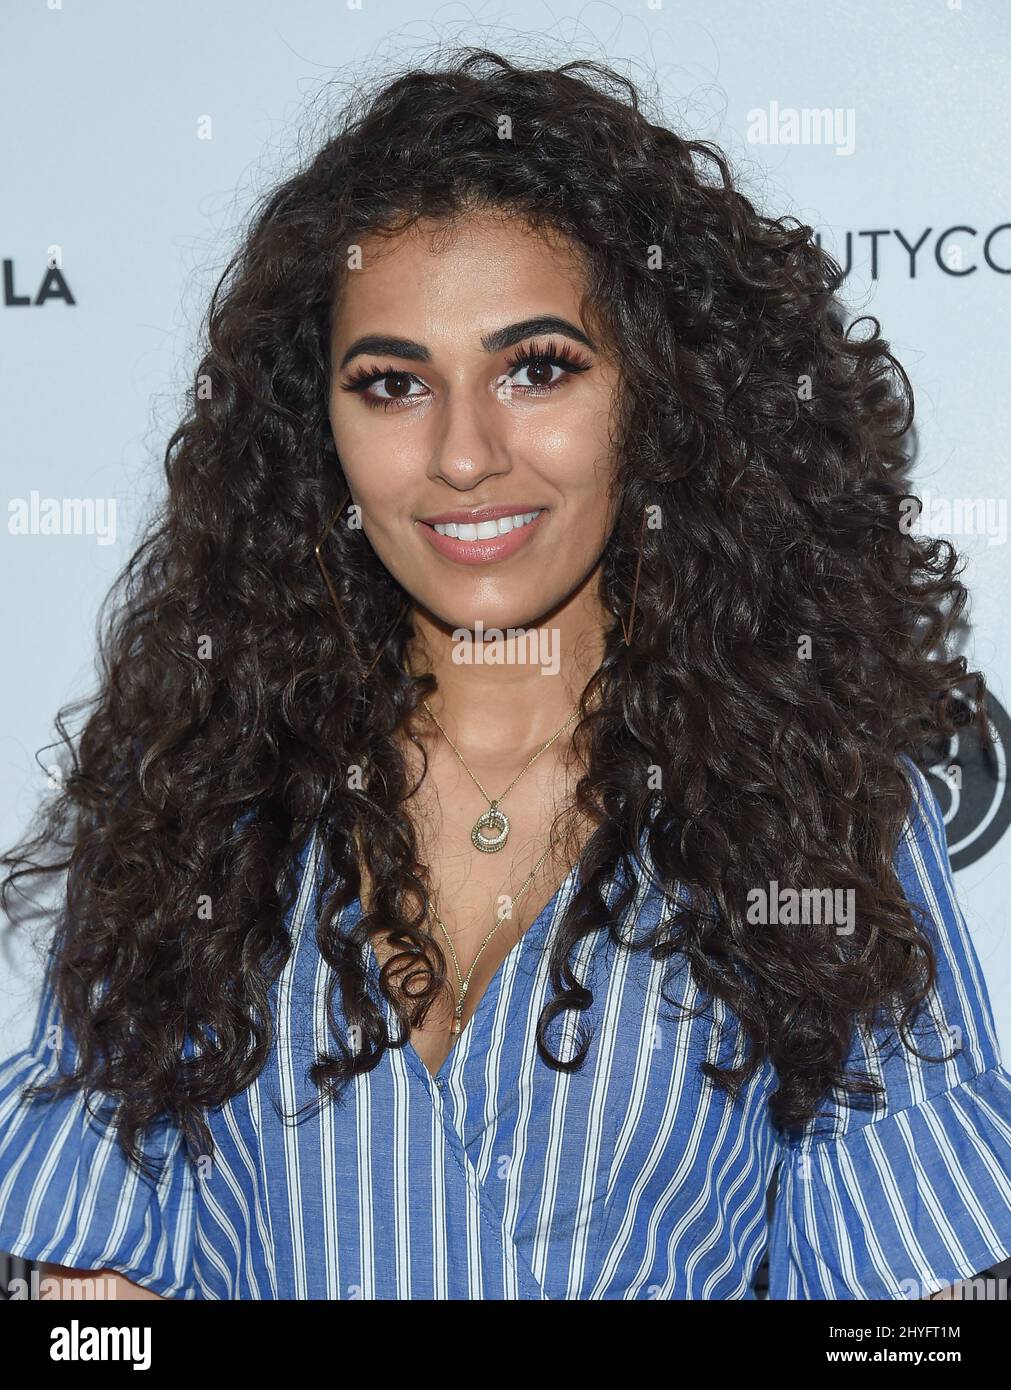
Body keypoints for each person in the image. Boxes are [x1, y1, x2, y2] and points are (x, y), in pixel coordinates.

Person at [2, 48, 1011, 1302]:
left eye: (537, 368)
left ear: (660, 394)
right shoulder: (189, 803)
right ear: (316, 427)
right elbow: (83, 1317)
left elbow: (922, 1309)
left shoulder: (813, 810)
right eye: (392, 383)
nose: (465, 452)